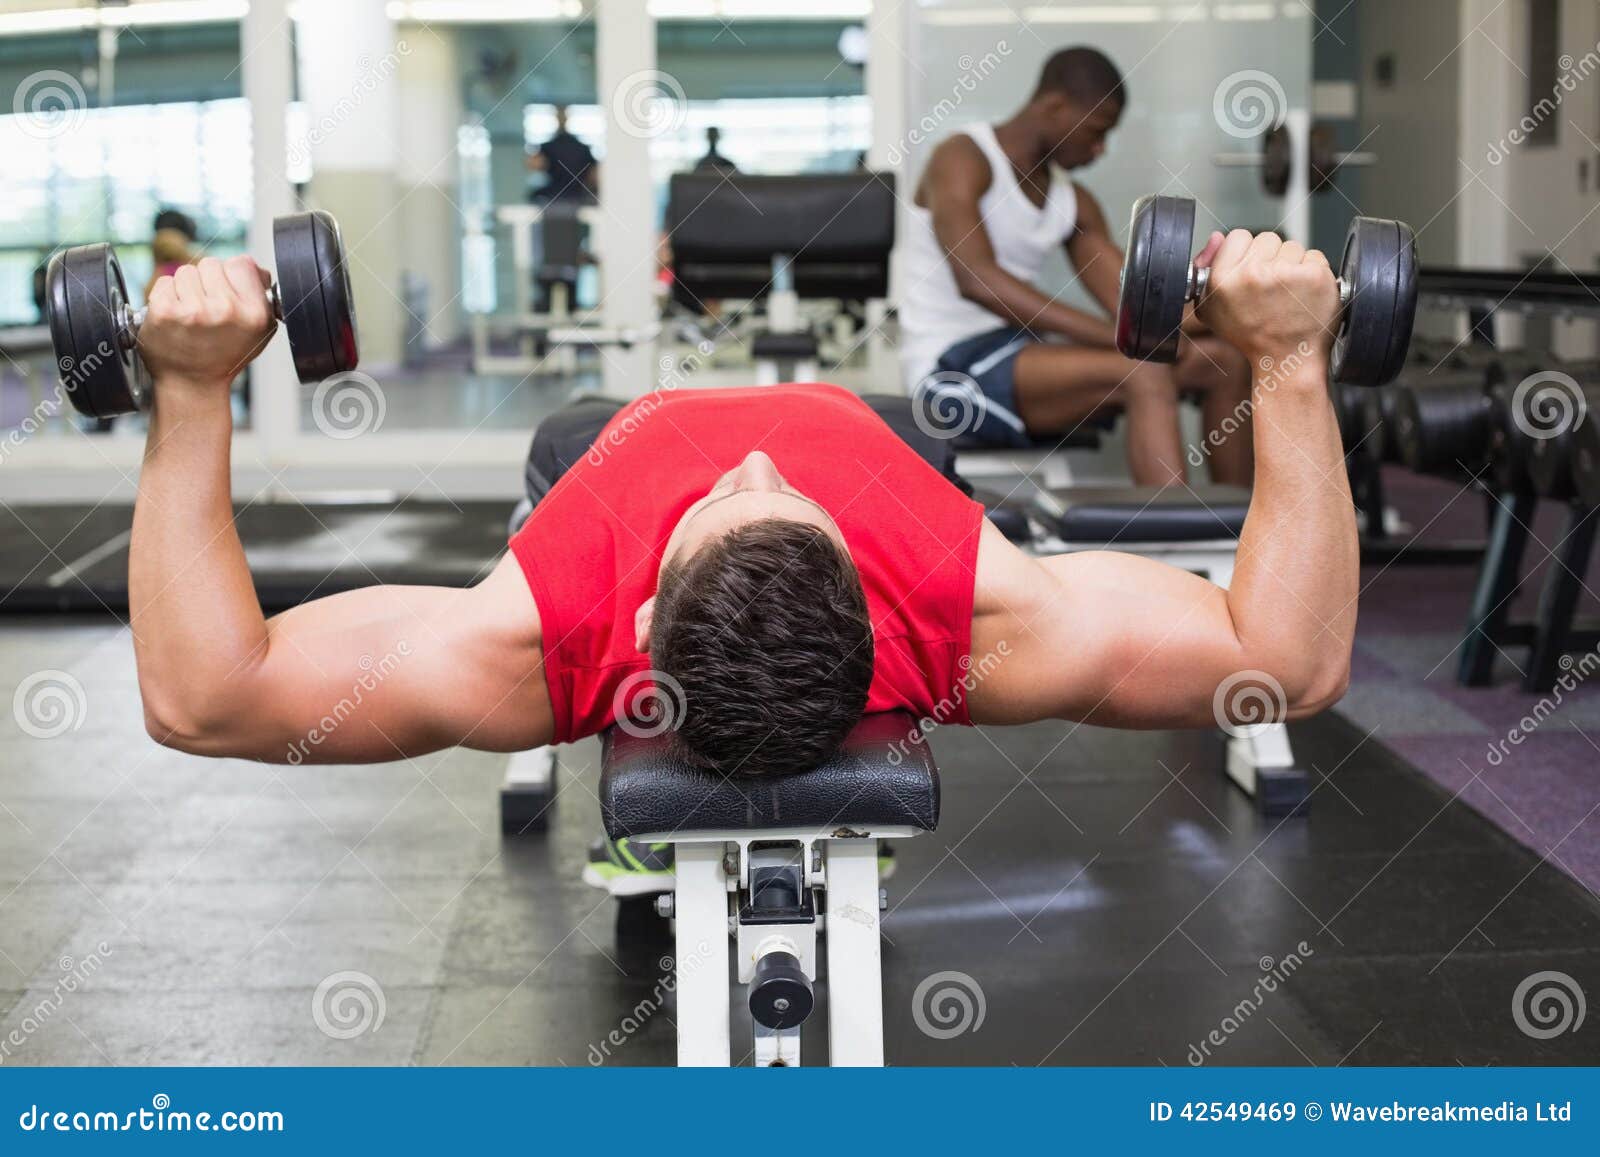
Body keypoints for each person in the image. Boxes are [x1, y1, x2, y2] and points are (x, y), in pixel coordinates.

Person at [129, 225, 1352, 898]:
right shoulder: (976, 613)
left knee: (563, 447)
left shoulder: (531, 636)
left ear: (646, 611)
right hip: (885, 448)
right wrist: (1289, 356)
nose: (759, 462)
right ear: (877, 611)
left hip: (593, 454)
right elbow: (1284, 661)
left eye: (740, 500)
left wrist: (189, 386)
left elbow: (206, 697)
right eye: (778, 502)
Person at [902, 46, 1253, 487]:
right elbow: (977, 280)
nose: (1100, 149)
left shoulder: (1074, 203)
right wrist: (1121, 340)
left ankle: (1240, 533)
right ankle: (1171, 543)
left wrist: (1238, 305)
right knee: (1144, 371)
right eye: (1096, 131)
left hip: (1017, 355)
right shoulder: (962, 158)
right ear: (1054, 106)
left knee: (1224, 364)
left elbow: (1140, 308)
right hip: (950, 370)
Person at [526, 105, 597, 204]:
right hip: (571, 196)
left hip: (563, 195)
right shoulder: (582, 148)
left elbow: (593, 175)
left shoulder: (550, 147)